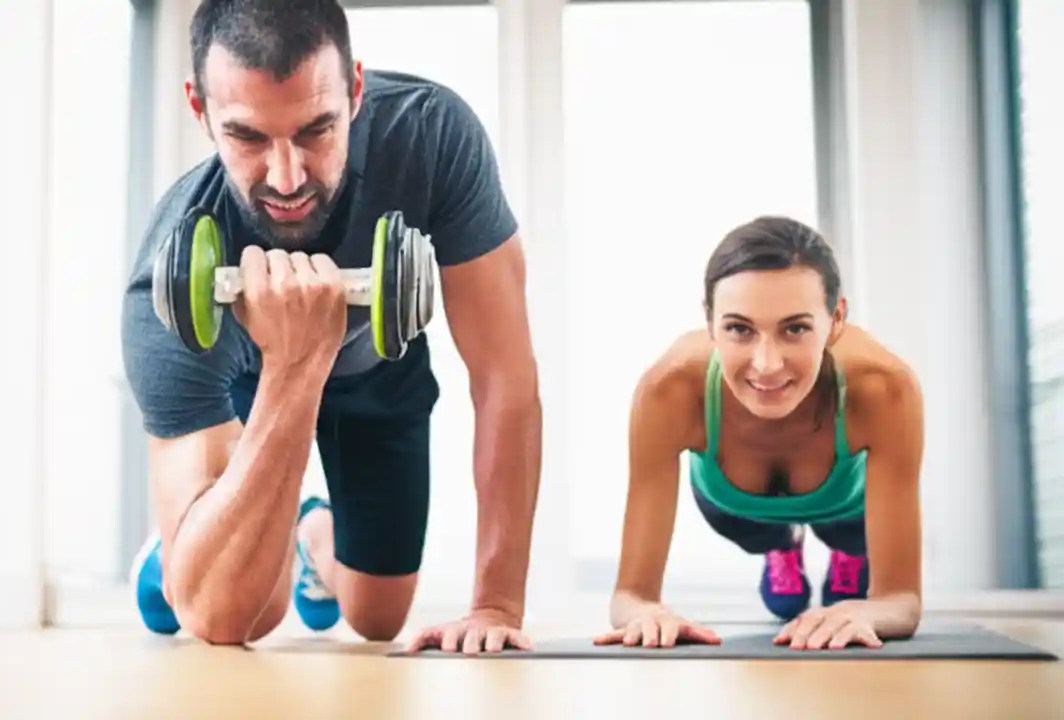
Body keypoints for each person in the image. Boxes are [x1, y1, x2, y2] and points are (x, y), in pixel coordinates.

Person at [121, 0, 541, 655]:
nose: (286, 178)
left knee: (378, 617)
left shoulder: (430, 134)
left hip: (379, 368)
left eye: (317, 129)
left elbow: (503, 378)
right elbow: (219, 623)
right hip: (252, 382)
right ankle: (189, 545)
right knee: (248, 610)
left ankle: (308, 532)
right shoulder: (164, 283)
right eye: (249, 138)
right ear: (199, 110)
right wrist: (294, 364)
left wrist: (495, 604)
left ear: (354, 90)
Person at [595, 216, 924, 651]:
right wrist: (646, 614)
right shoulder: (668, 388)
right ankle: (783, 544)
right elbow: (630, 596)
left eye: (795, 328)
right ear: (710, 323)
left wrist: (869, 609)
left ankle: (845, 553)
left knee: (849, 537)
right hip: (737, 508)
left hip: (848, 508)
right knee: (762, 538)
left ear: (836, 319)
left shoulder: (885, 386)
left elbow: (900, 600)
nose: (767, 364)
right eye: (739, 329)